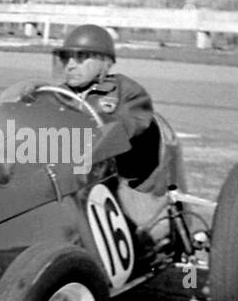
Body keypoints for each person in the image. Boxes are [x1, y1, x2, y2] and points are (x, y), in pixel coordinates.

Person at [54, 23, 166, 190]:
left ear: (105, 62)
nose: (70, 65)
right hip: (67, 180)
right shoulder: (55, 94)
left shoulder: (126, 91)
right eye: (66, 58)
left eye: (80, 58)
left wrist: (88, 132)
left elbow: (127, 127)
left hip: (119, 182)